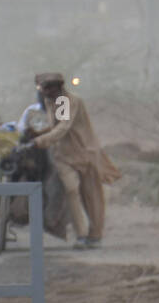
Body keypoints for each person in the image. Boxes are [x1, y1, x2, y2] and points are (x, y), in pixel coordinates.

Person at [25, 72, 121, 249]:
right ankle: (82, 235)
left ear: (58, 87)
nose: (44, 91)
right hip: (63, 156)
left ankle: (95, 235)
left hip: (84, 153)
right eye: (42, 88)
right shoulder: (50, 101)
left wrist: (38, 141)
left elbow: (63, 127)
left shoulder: (67, 100)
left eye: (47, 88)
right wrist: (38, 134)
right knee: (71, 191)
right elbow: (56, 126)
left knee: (92, 197)